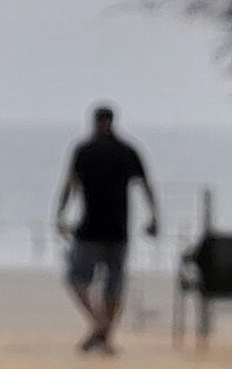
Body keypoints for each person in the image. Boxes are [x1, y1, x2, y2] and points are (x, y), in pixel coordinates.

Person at [53, 105, 158, 354]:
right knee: (82, 280)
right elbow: (71, 183)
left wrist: (155, 217)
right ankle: (101, 327)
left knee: (111, 284)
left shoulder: (119, 151)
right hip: (95, 228)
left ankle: (102, 332)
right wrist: (60, 213)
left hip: (111, 230)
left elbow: (146, 185)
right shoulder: (94, 151)